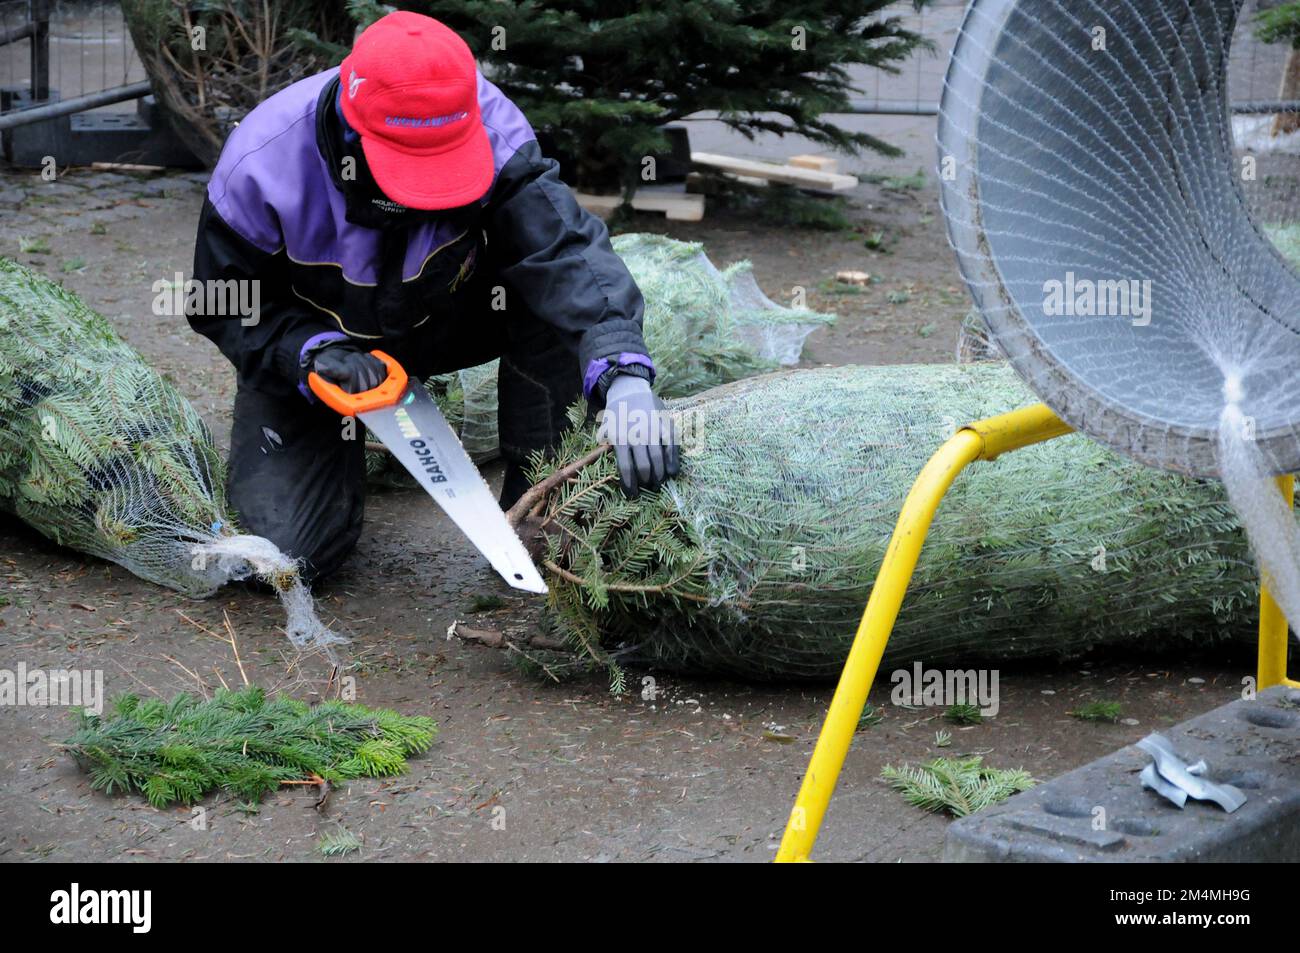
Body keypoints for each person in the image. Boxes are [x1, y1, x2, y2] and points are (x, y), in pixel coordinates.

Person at [189, 11, 678, 581]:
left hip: (445, 317)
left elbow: (565, 253)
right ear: (354, 130)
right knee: (287, 557)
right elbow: (222, 301)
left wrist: (622, 372)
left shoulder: (496, 129)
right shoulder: (261, 162)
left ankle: (539, 513)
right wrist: (309, 353)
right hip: (330, 356)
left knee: (551, 302)